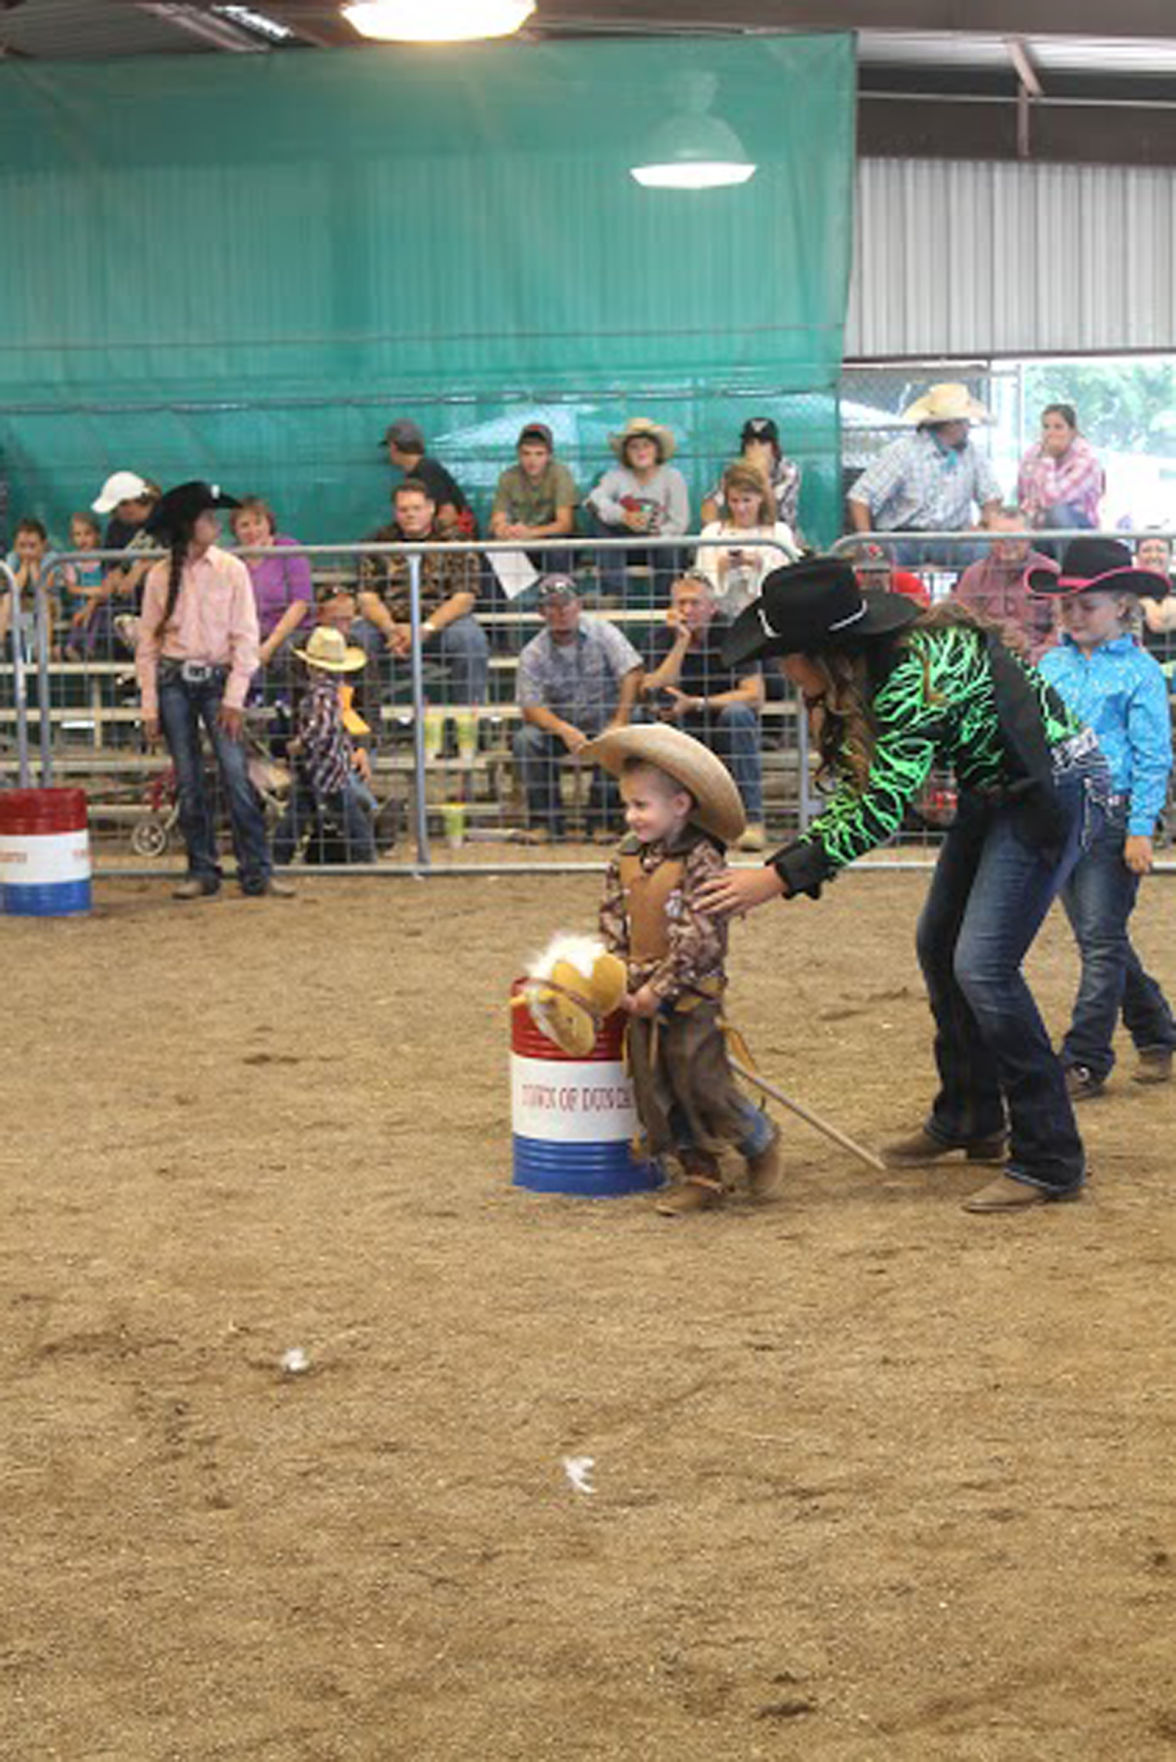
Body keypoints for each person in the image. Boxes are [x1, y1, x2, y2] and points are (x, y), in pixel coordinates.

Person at [696, 554, 1109, 1214]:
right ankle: (972, 1116)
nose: (782, 670)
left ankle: (1050, 1156)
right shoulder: (883, 665)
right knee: (939, 944)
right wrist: (785, 868)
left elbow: (880, 806)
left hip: (1051, 789)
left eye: (786, 655)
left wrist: (774, 877)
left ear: (822, 654)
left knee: (984, 967)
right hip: (1000, 789)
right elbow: (869, 795)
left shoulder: (911, 675)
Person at [587, 722, 781, 1216]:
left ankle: (757, 1138)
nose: (631, 816)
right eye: (627, 805)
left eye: (641, 805)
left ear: (679, 805)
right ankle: (701, 1175)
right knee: (655, 1087)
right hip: (639, 994)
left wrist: (660, 987)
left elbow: (701, 936)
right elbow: (612, 921)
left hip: (692, 993)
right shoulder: (624, 859)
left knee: (702, 1081)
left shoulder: (702, 860)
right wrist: (621, 979)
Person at [1029, 539, 1175, 1095]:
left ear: (1123, 607)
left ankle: (1085, 1058)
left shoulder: (1141, 673)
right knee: (1102, 937)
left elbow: (1153, 755)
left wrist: (1141, 828)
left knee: (1099, 938)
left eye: (1086, 605)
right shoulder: (1050, 665)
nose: (1073, 615)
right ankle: (1157, 1032)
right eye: (1067, 605)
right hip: (1063, 816)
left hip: (1112, 817)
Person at [136, 480, 289, 901]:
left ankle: (252, 870)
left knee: (235, 774)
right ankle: (208, 869)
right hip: (177, 681)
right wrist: (150, 704)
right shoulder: (159, 577)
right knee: (189, 779)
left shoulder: (231, 569)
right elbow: (148, 645)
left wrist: (234, 698)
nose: (215, 524)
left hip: (214, 682)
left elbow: (245, 637)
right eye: (207, 517)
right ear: (189, 526)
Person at [642, 573, 767, 851]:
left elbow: (754, 694)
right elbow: (653, 688)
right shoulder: (660, 636)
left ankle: (752, 821)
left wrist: (697, 702)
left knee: (738, 714)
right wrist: (681, 641)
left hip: (722, 720)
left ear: (712, 608)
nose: (687, 610)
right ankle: (667, 826)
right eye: (681, 603)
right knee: (654, 722)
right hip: (680, 723)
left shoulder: (733, 634)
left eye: (695, 603)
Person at [513, 575, 643, 841]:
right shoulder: (533, 652)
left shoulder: (603, 632)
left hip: (605, 719)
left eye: (566, 603)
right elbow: (530, 706)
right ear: (541, 612)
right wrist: (562, 729)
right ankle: (545, 822)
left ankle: (603, 821)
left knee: (625, 730)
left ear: (579, 605)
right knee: (526, 740)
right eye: (552, 605)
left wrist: (619, 720)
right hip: (561, 727)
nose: (561, 611)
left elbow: (632, 673)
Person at [357, 478, 488, 704]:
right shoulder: (377, 542)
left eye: (416, 508)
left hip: (441, 627)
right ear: (395, 512)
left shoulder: (456, 541)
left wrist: (425, 630)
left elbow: (464, 597)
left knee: (471, 639)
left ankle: (468, 717)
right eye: (403, 509)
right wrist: (390, 629)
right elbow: (366, 596)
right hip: (390, 628)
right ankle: (363, 716)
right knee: (357, 639)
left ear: (431, 508)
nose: (410, 515)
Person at [847, 382, 1002, 569]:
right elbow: (860, 496)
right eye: (964, 422)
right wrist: (868, 542)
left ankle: (969, 589)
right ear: (949, 425)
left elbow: (992, 497)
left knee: (983, 550)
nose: (968, 427)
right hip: (904, 537)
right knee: (883, 558)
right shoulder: (903, 451)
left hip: (953, 538)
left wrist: (983, 525)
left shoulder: (973, 453)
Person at [271, 626, 377, 868]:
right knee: (327, 809)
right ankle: (364, 853)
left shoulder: (320, 694)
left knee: (311, 809)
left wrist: (301, 743)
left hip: (321, 762)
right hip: (331, 762)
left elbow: (321, 727)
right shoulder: (335, 692)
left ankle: (279, 855)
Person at [583, 417, 690, 595]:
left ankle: (664, 601)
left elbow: (680, 522)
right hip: (625, 544)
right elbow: (594, 498)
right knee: (601, 524)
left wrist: (657, 533)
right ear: (626, 452)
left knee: (672, 547)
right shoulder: (617, 476)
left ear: (657, 450)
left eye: (646, 446)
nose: (641, 452)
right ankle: (615, 595)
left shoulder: (672, 477)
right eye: (634, 447)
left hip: (659, 543)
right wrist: (622, 516)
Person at [693, 459, 798, 618]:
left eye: (746, 500)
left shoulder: (779, 533)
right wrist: (721, 569)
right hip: (721, 617)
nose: (740, 508)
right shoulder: (712, 533)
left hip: (769, 615)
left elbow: (787, 584)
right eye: (734, 501)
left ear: (760, 498)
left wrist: (760, 565)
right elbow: (702, 586)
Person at [952, 506, 1058, 661]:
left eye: (1015, 537)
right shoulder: (974, 575)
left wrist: (1037, 656)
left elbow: (1061, 627)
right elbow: (960, 624)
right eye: (999, 537)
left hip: (1041, 660)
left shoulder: (1051, 572)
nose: (1007, 543)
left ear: (1030, 536)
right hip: (987, 658)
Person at [229, 497, 312, 678]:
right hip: (246, 634)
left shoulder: (288, 549)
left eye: (258, 523)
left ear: (269, 524)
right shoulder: (230, 559)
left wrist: (270, 645)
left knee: (284, 656)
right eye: (244, 525)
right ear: (235, 531)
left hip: (288, 633)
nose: (252, 530)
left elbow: (300, 603)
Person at [489, 422, 577, 567]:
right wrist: (504, 530)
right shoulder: (508, 477)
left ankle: (557, 582)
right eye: (526, 453)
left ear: (549, 455)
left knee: (559, 544)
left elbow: (565, 524)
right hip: (519, 540)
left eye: (539, 454)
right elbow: (497, 520)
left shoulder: (560, 474)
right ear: (519, 455)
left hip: (549, 541)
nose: (532, 460)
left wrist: (531, 533)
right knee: (496, 546)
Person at [701, 415, 802, 533]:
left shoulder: (788, 471)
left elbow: (775, 515)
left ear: (774, 448)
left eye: (763, 443)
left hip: (780, 533)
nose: (756, 448)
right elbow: (711, 503)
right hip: (740, 532)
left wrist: (759, 474)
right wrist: (713, 531)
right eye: (750, 443)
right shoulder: (734, 470)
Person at [1017, 404, 1105, 536]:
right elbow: (1023, 496)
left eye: (1058, 427)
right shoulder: (1032, 454)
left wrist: (1048, 458)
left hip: (1079, 531)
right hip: (1037, 525)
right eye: (1046, 427)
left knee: (1057, 513)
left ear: (1072, 431)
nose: (1050, 434)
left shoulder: (1086, 460)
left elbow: (1052, 501)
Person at [380, 418, 473, 536]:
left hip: (457, 542)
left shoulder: (426, 470)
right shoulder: (422, 470)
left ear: (393, 447)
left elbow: (449, 514)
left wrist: (425, 535)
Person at [1135, 533, 1176, 662]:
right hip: (1138, 664)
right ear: (1137, 556)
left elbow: (1158, 623)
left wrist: (1145, 603)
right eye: (1146, 550)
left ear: (1171, 556)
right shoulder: (1128, 585)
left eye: (1160, 550)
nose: (1153, 556)